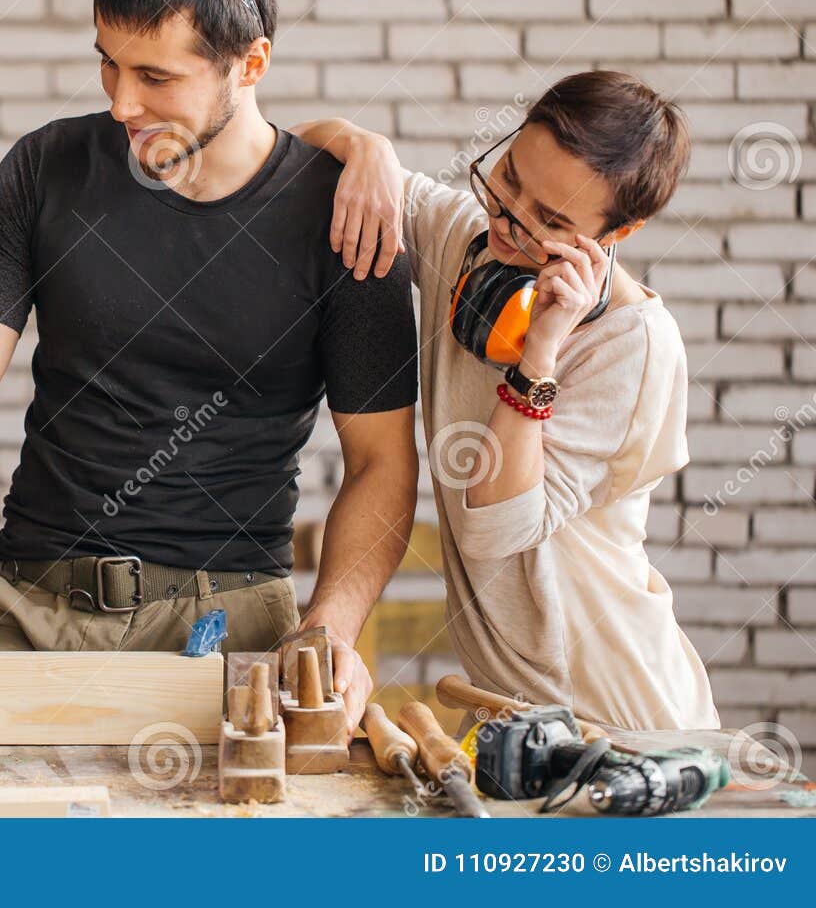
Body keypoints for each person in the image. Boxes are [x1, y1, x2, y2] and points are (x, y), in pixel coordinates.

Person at [0, 0, 421, 734]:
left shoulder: (344, 216)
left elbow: (380, 459)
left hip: (231, 622)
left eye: (156, 78)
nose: (123, 102)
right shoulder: (46, 167)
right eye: (108, 63)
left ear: (251, 64)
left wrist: (330, 627)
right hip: (28, 600)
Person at [291, 70, 719, 730]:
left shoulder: (634, 344)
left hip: (616, 718)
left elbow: (497, 526)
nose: (508, 221)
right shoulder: (469, 240)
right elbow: (302, 155)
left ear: (619, 232)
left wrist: (540, 349)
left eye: (550, 220)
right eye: (511, 178)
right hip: (507, 712)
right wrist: (364, 143)